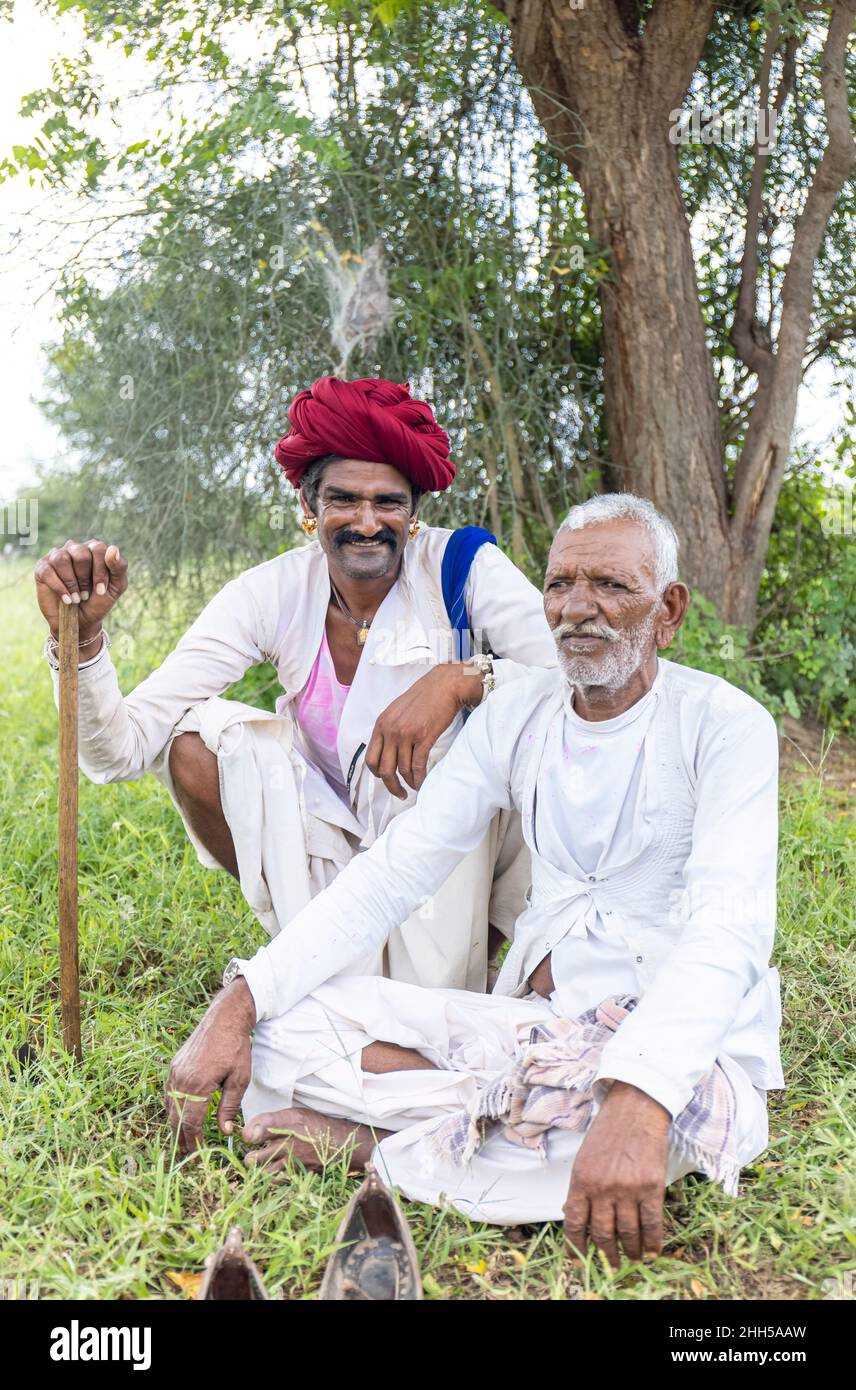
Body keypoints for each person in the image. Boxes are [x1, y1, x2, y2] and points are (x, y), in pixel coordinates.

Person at [167, 493, 784, 1266]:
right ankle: (491, 1126)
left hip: (681, 1042)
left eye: (613, 587)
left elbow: (728, 927)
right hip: (527, 1032)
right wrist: (241, 997)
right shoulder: (520, 711)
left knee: (700, 1120)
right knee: (278, 1033)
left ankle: (369, 1150)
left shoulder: (726, 726)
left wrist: (639, 1094)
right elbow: (395, 872)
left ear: (668, 612)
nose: (577, 609)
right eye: (560, 584)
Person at [35, 376, 555, 993]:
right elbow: (117, 750)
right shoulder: (273, 593)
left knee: (507, 743)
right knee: (198, 743)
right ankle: (307, 949)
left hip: (454, 848)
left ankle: (486, 963)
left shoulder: (464, 569)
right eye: (343, 501)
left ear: (414, 513)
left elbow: (577, 691)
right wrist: (84, 643)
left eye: (388, 502)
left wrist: (463, 677)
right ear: (309, 510)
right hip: (329, 845)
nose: (367, 523)